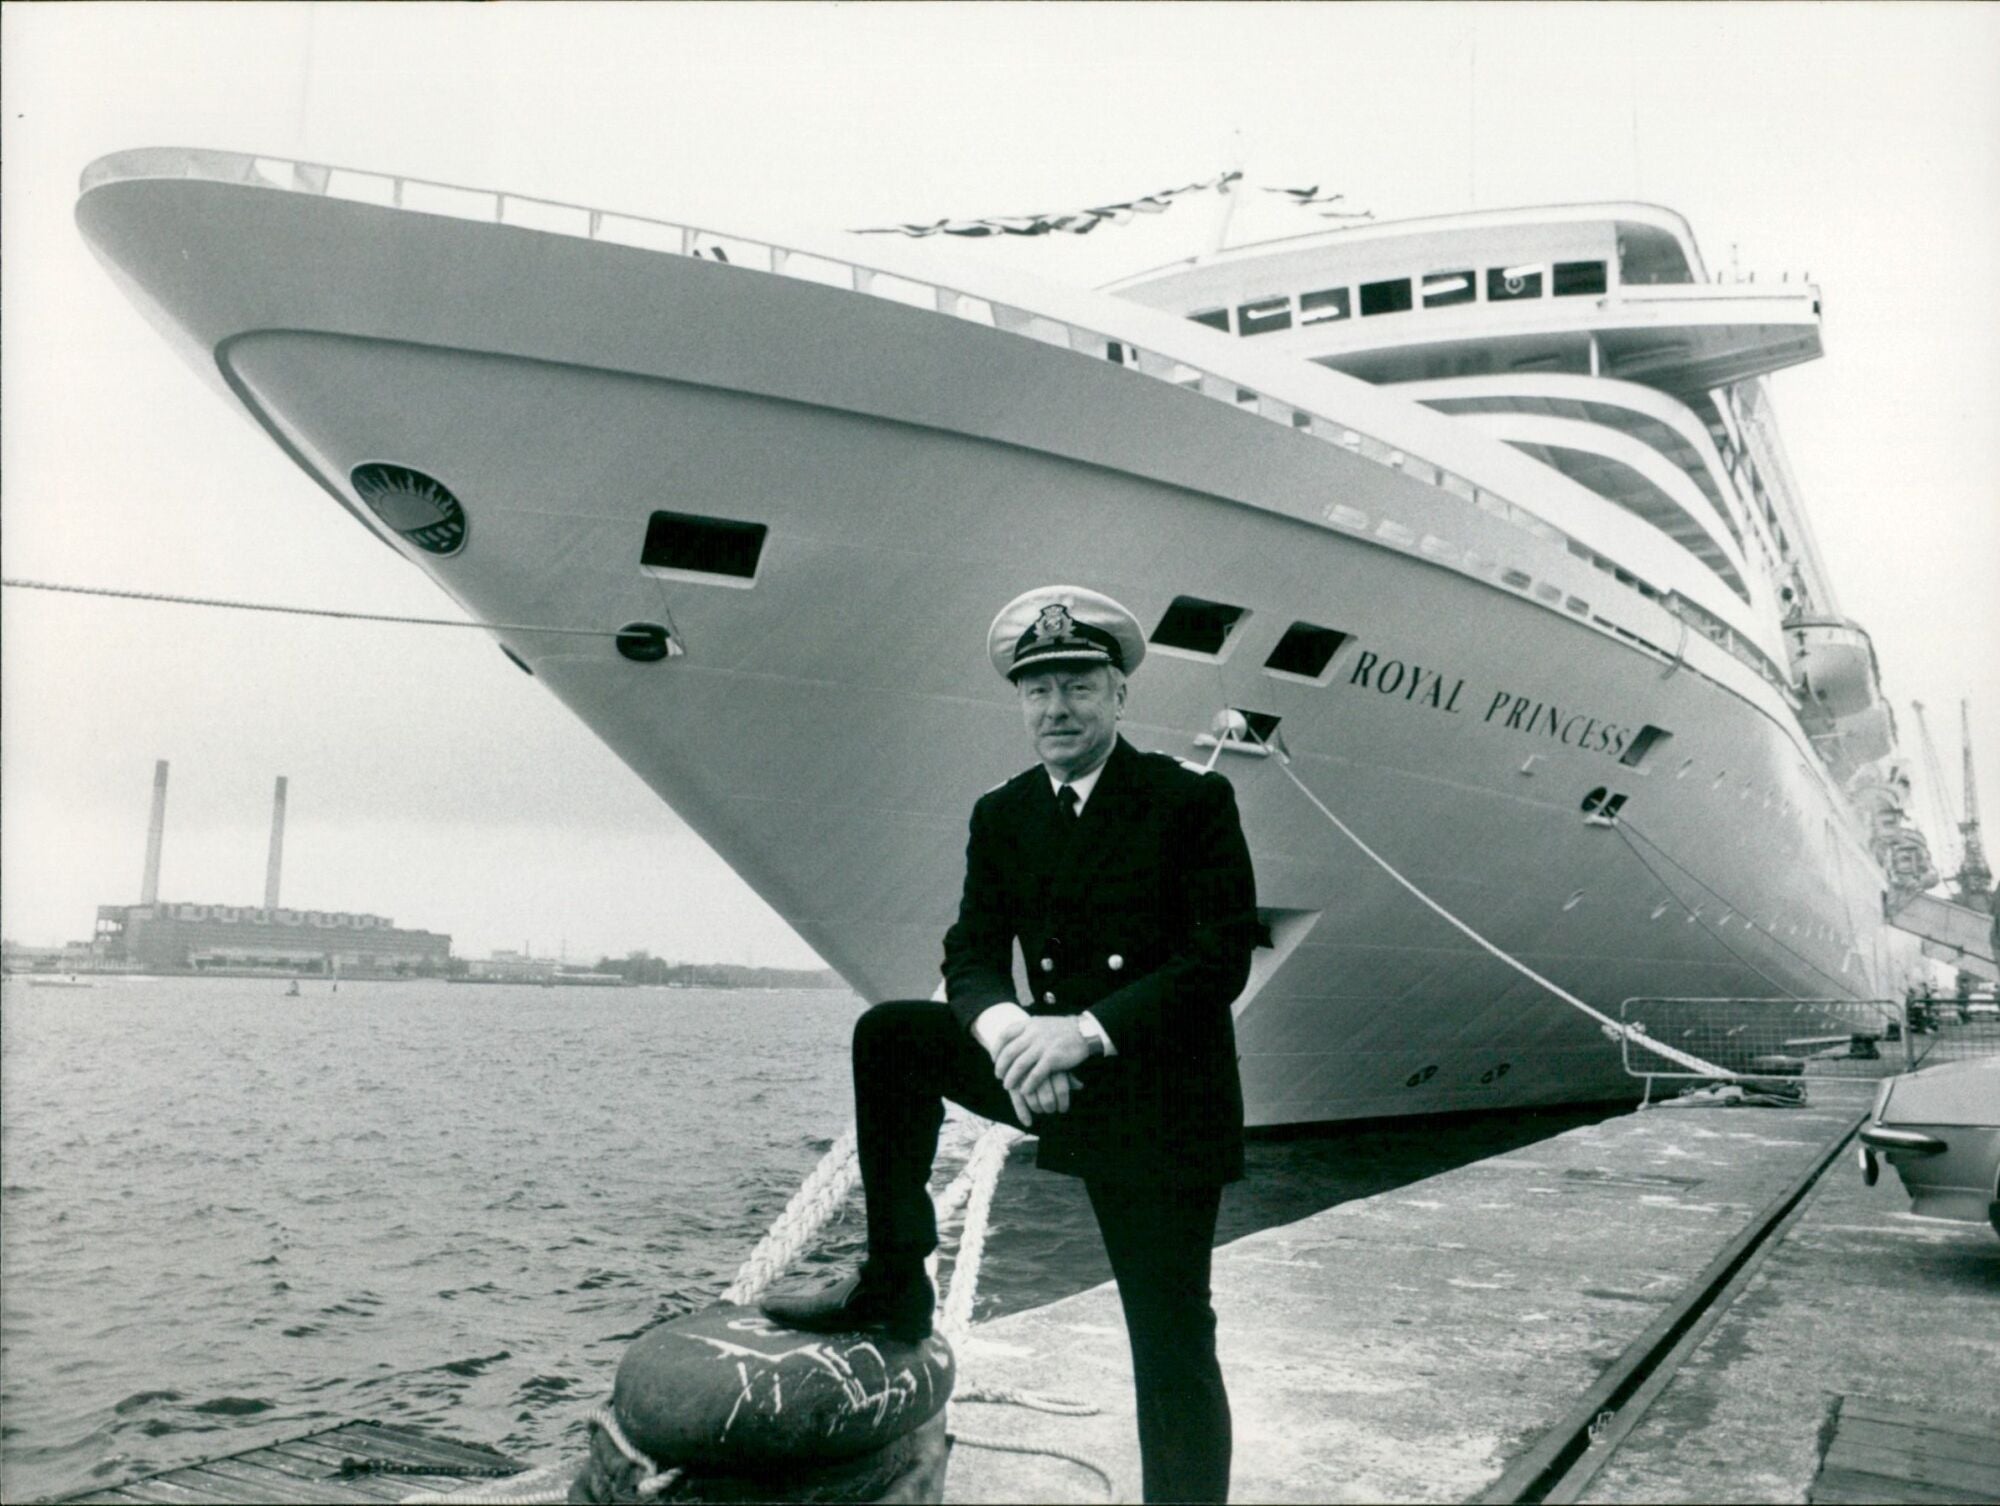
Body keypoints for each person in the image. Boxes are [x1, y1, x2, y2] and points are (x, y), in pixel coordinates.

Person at [762, 584, 1259, 1504]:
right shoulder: (1006, 813)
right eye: (1038, 691)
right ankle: (895, 1281)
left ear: (1119, 697)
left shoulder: (1189, 801)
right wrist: (1009, 1039)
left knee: (1171, 1333)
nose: (1056, 708)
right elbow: (972, 950)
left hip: (1156, 1092)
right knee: (892, 1035)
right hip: (1042, 1067)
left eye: (1077, 686)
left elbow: (1215, 962)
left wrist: (1082, 1037)